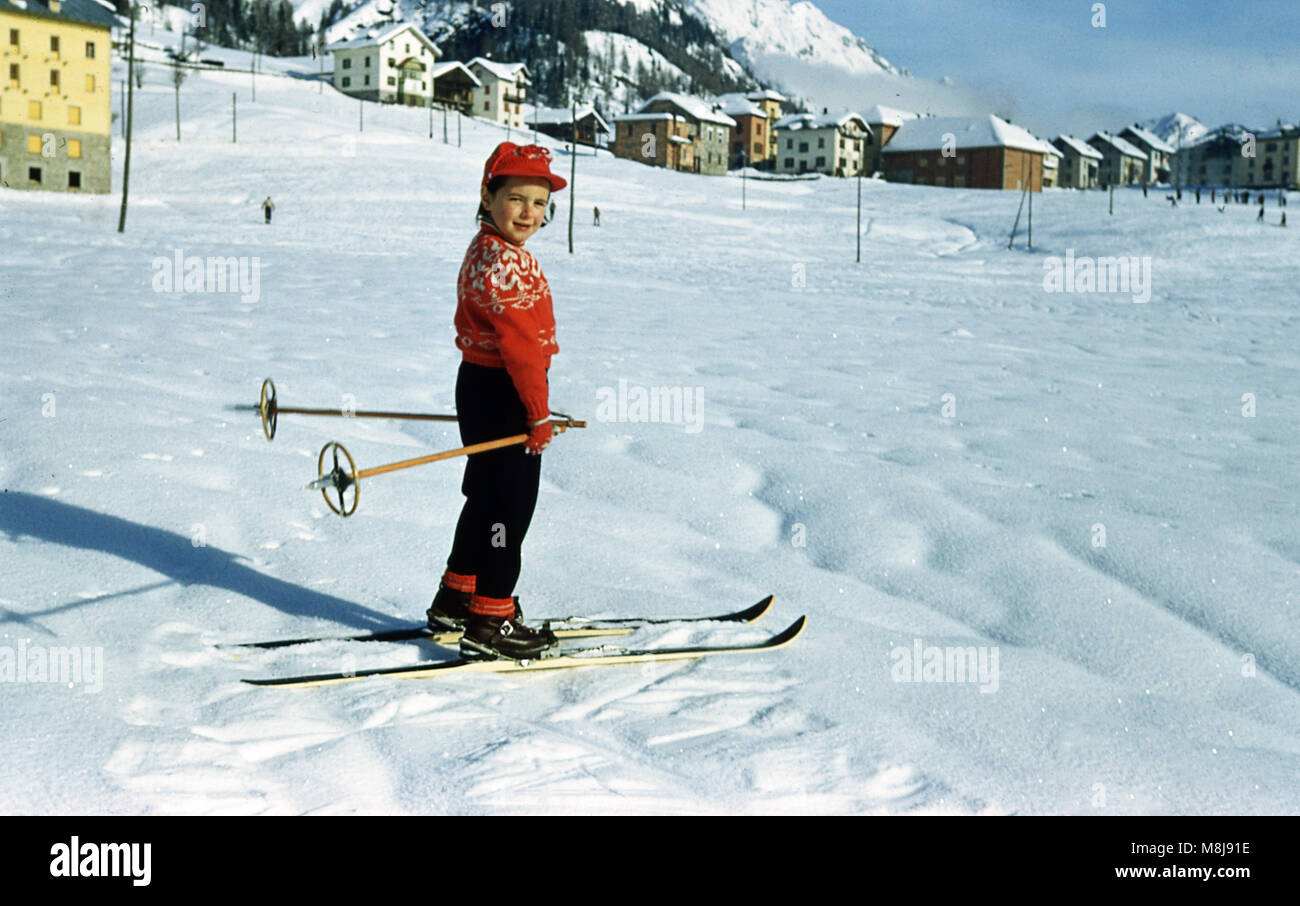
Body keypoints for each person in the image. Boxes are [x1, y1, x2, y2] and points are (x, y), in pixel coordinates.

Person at [426, 142, 568, 661]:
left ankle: (457, 596)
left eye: (539, 201)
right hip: (506, 388)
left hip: (478, 385)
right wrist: (537, 413)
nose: (529, 212)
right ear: (487, 197)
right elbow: (520, 346)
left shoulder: (485, 247)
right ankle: (491, 619)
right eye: (516, 198)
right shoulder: (507, 265)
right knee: (509, 506)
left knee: (484, 495)